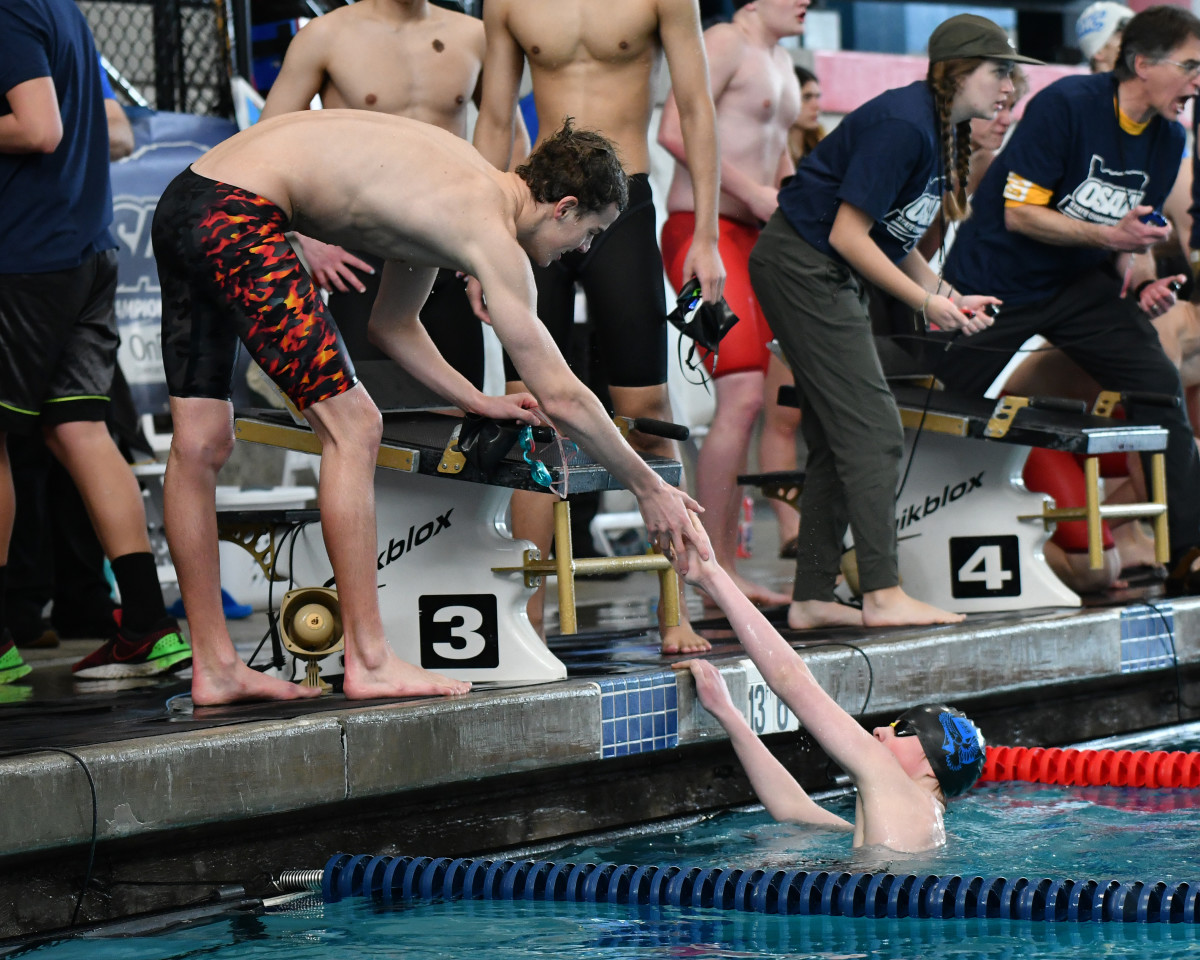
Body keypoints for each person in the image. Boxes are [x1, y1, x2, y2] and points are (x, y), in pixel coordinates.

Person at [151, 113, 711, 706]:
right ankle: (370, 660)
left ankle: (215, 667)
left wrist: (476, 400)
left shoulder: (448, 192)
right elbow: (563, 395)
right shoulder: (491, 234)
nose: (585, 249)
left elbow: (393, 325)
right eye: (590, 232)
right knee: (355, 427)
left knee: (202, 439)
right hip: (239, 216)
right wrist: (648, 487)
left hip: (187, 200)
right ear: (564, 208)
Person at [748, 14, 1036, 631]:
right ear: (957, 72)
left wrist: (948, 295)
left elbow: (892, 236)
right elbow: (848, 235)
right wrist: (926, 305)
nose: (1009, 87)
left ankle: (813, 597)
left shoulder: (936, 127)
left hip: (822, 271)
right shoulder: (904, 124)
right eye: (1000, 72)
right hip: (803, 267)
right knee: (875, 431)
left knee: (839, 438)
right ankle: (881, 593)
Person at [473, 0, 725, 655]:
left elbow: (696, 107)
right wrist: (475, 241)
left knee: (648, 408)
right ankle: (527, 624)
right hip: (537, 205)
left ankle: (676, 610)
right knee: (531, 414)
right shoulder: (507, 3)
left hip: (623, 202)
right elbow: (495, 117)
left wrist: (705, 236)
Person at [941, 5, 1200, 594]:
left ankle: (1188, 547)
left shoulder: (1168, 138)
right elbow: (1021, 215)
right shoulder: (1069, 105)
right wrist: (1112, 239)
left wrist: (1140, 282)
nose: (1197, 82)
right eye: (1189, 66)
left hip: (1079, 286)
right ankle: (889, 533)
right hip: (997, 277)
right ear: (1142, 64)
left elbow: (1130, 234)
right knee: (936, 400)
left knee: (1157, 383)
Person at [0, 0, 190, 686]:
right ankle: (146, 623)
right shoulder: (61, 8)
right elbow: (111, 129)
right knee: (79, 429)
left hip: (24, 256)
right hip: (85, 251)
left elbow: (39, 127)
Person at [258, 0, 531, 390]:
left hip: (449, 242)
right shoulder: (325, 36)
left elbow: (512, 138)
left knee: (458, 406)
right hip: (362, 245)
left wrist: (495, 236)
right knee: (368, 405)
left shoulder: (472, 35)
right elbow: (268, 143)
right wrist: (307, 237)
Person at [674, 516, 985, 852]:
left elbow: (791, 677)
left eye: (902, 730)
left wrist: (713, 576)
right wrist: (727, 713)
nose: (880, 730)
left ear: (931, 766)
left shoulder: (888, 777)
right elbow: (793, 809)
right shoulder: (915, 820)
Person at [657, 0, 805, 605]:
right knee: (739, 394)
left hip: (758, 240)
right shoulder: (722, 41)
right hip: (698, 237)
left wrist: (792, 199)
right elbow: (672, 131)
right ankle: (712, 572)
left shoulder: (782, 58)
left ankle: (727, 567)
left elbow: (776, 148)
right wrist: (753, 193)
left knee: (762, 401)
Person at [786, 64, 824, 166]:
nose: (816, 106)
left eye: (817, 97)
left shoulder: (823, 147)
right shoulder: (770, 153)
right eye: (807, 97)